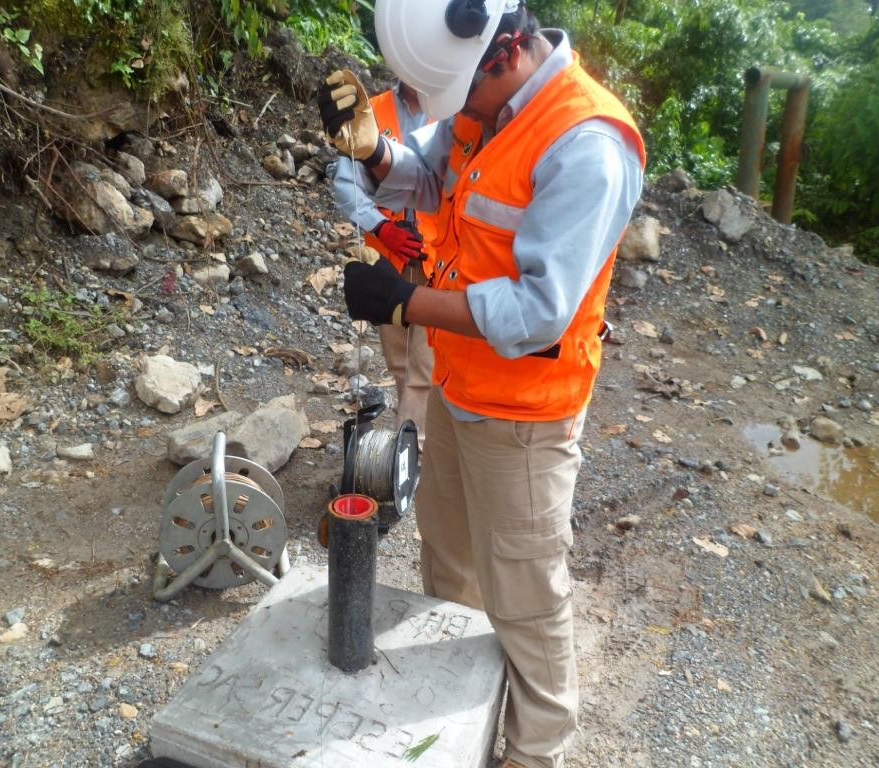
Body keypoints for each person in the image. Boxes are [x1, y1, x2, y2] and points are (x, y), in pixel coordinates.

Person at [318, 1, 645, 766]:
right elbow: (431, 179)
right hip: (461, 390)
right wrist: (372, 156)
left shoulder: (586, 145)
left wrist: (406, 301)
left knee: (527, 601)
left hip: (527, 417)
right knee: (449, 561)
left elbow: (539, 311)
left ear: (502, 53)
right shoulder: (485, 109)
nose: (454, 114)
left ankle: (533, 753)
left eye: (457, 96)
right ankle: (449, 723)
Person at [326, 79, 436, 450]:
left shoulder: (456, 112)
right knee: (399, 360)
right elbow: (345, 184)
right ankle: (412, 432)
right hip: (388, 258)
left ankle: (414, 447)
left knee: (424, 361)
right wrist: (382, 226)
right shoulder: (368, 114)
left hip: (437, 257)